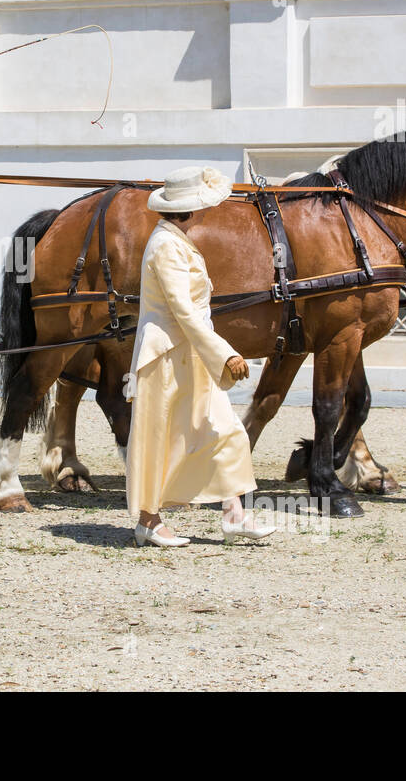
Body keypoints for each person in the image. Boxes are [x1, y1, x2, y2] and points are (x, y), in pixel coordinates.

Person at [124, 166, 276, 547]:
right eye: (203, 207)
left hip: (193, 352)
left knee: (224, 430)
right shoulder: (165, 245)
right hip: (166, 356)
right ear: (190, 211)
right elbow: (183, 310)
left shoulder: (179, 239)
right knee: (160, 437)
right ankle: (148, 520)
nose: (208, 212)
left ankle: (234, 514)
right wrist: (225, 354)